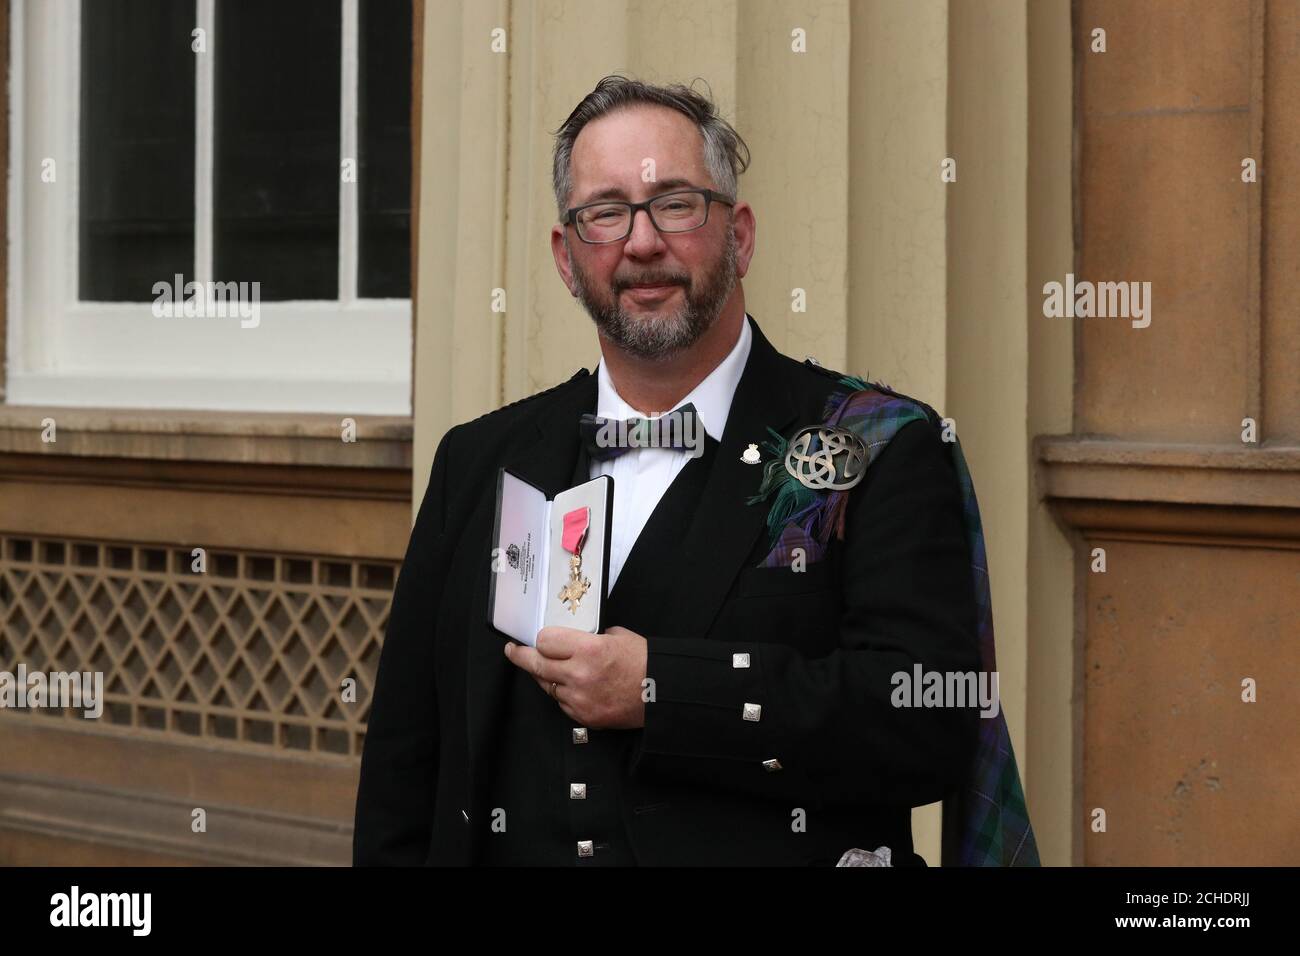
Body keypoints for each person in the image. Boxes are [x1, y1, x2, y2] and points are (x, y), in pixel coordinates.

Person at [353, 74, 1036, 866]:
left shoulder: (876, 446)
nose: (642, 242)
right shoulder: (479, 460)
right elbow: (406, 765)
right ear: (566, 258)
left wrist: (663, 687)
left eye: (676, 203)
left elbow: (929, 725)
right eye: (604, 213)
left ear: (739, 235)